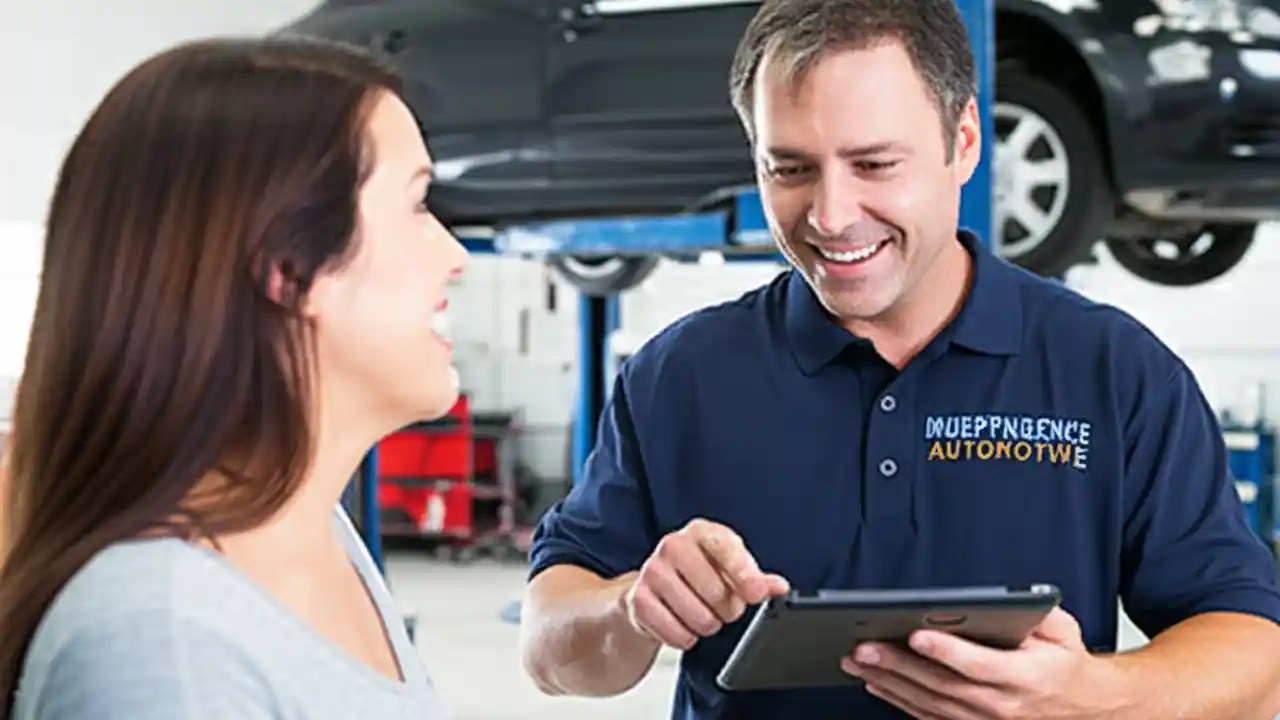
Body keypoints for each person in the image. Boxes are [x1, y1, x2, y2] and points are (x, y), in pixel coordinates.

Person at [517, 0, 1280, 718]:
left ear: (966, 141)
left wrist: (1090, 697)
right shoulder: (678, 377)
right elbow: (549, 648)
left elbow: (1258, 657)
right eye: (790, 168)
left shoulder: (1114, 373)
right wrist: (631, 608)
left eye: (875, 164)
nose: (831, 215)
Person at [0, 36, 467, 719]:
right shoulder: (163, 646)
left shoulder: (313, 529)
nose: (453, 254)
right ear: (288, 267)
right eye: (418, 204)